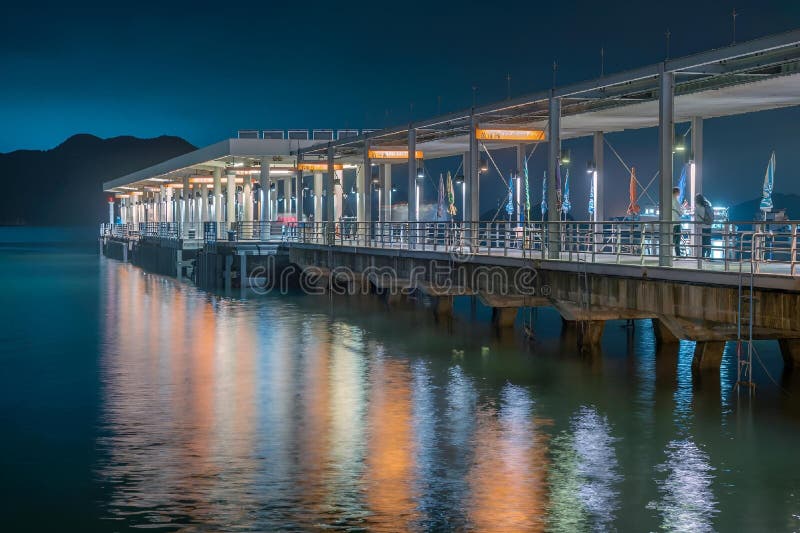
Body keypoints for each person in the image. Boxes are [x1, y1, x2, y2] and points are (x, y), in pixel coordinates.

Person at [694, 193, 713, 258]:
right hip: (709, 226)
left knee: (703, 242)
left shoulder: (698, 208)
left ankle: (702, 256)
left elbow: (697, 219)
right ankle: (708, 255)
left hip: (702, 227)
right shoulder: (708, 205)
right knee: (708, 241)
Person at [671, 187, 684, 257]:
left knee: (673, 238)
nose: (679, 193)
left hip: (672, 221)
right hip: (677, 221)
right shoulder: (675, 200)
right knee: (677, 239)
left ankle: (673, 254)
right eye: (679, 192)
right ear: (676, 192)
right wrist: (683, 209)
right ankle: (678, 254)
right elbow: (681, 213)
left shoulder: (670, 199)